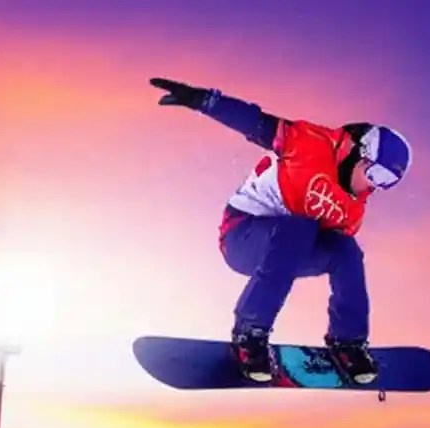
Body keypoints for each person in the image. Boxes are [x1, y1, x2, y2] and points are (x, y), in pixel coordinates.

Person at [149, 77, 412, 385]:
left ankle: (348, 342)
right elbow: (255, 122)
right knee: (299, 227)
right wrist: (204, 101)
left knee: (346, 250)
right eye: (376, 173)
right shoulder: (310, 143)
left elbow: (327, 255)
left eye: (387, 182)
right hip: (241, 236)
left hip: (284, 253)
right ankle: (250, 333)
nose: (374, 185)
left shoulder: (353, 209)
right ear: (358, 151)